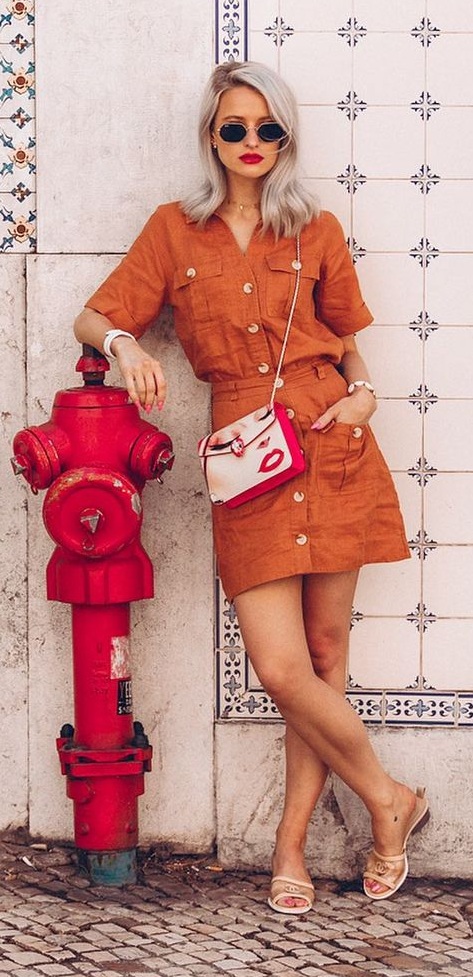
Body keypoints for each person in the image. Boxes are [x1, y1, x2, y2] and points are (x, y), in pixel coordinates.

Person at [74, 60, 429, 913]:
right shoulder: (173, 230)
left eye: (268, 129)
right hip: (246, 452)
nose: (251, 144)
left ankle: (290, 846)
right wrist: (127, 348)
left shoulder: (317, 229)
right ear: (211, 137)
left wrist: (366, 396)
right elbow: (93, 314)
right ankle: (391, 799)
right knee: (280, 664)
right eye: (235, 129)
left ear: (287, 138)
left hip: (330, 439)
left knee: (326, 656)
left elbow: (346, 344)